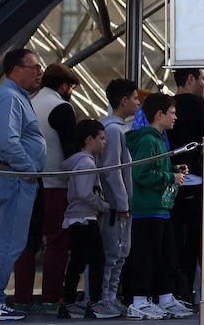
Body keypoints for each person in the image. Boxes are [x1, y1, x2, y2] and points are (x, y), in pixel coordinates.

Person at [0, 49, 47, 321]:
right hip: (16, 177)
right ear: (17, 70)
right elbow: (9, 141)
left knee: (2, 241)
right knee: (9, 243)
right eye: (35, 67)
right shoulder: (10, 97)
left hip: (12, 176)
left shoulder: (14, 96)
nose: (40, 72)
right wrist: (28, 169)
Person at [14, 62, 81, 314]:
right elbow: (70, 150)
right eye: (71, 87)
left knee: (26, 243)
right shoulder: (62, 107)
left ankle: (21, 299)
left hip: (27, 181)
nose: (71, 91)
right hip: (55, 184)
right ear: (64, 86)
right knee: (56, 241)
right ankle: (51, 299)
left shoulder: (28, 102)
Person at [125, 93, 192, 320]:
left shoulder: (158, 139)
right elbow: (142, 173)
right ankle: (140, 300)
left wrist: (173, 169)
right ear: (159, 114)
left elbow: (154, 168)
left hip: (160, 209)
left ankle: (165, 297)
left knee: (166, 257)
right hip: (148, 209)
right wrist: (170, 177)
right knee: (146, 257)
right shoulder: (148, 140)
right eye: (172, 113)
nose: (176, 117)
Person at [58, 119, 120, 319]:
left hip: (75, 219)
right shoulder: (86, 162)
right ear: (89, 139)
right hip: (85, 218)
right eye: (102, 139)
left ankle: (67, 302)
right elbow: (85, 193)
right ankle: (95, 302)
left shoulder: (78, 161)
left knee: (77, 260)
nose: (104, 143)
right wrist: (103, 206)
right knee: (97, 260)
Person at [97, 79, 138, 317]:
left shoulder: (119, 128)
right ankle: (105, 298)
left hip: (121, 204)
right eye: (134, 98)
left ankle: (111, 296)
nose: (137, 102)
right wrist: (122, 203)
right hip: (115, 206)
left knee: (120, 253)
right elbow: (112, 170)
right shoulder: (113, 130)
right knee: (112, 253)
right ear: (124, 101)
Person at [166, 68, 204, 302]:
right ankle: (194, 291)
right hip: (195, 181)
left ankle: (172, 291)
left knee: (173, 241)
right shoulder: (200, 106)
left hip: (169, 182)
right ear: (190, 79)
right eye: (202, 78)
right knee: (199, 242)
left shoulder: (164, 105)